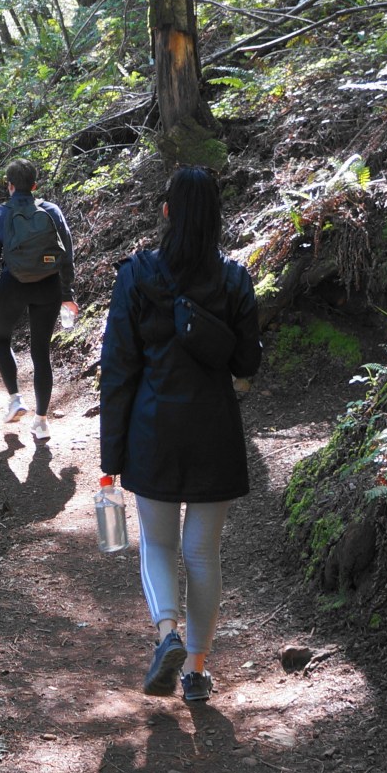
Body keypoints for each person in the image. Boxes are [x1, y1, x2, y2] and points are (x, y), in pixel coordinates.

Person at [97, 165, 263, 704]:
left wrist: (111, 452)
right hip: (214, 428)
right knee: (203, 553)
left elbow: (118, 368)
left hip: (153, 429)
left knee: (159, 545)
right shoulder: (235, 278)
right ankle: (194, 671)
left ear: (166, 212)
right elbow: (247, 361)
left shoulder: (137, 275)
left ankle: (166, 634)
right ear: (217, 218)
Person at [0, 159, 78, 440]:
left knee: (0, 340)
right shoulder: (51, 211)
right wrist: (67, 293)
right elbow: (66, 253)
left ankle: (16, 398)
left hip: (13, 285)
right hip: (48, 287)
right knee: (40, 351)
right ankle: (42, 421)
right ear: (34, 185)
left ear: (9, 185)